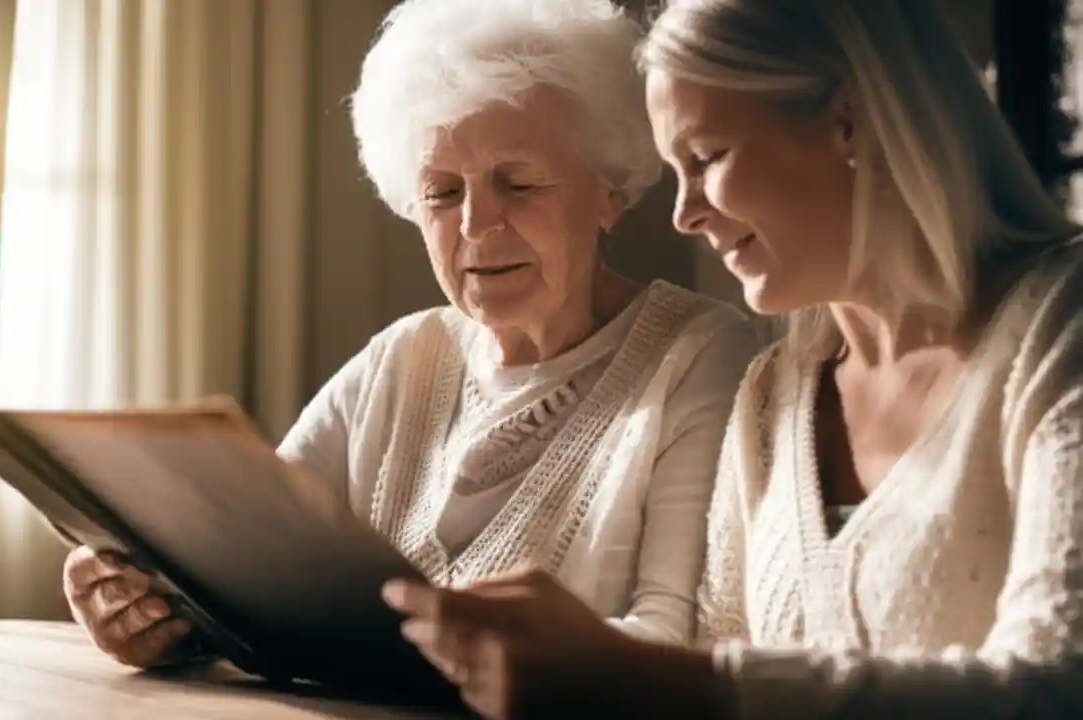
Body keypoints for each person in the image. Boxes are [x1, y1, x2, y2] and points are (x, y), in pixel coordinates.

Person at [382, 1, 1083, 718]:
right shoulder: (770, 397)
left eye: (707, 158)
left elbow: (1060, 689)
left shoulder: (1060, 332)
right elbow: (719, 656)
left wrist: (628, 673)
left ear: (847, 121)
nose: (684, 213)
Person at [61, 0, 759, 670]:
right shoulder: (402, 358)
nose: (476, 225)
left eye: (518, 183)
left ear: (611, 191)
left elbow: (674, 640)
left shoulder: (695, 354)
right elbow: (242, 576)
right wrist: (161, 617)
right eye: (443, 193)